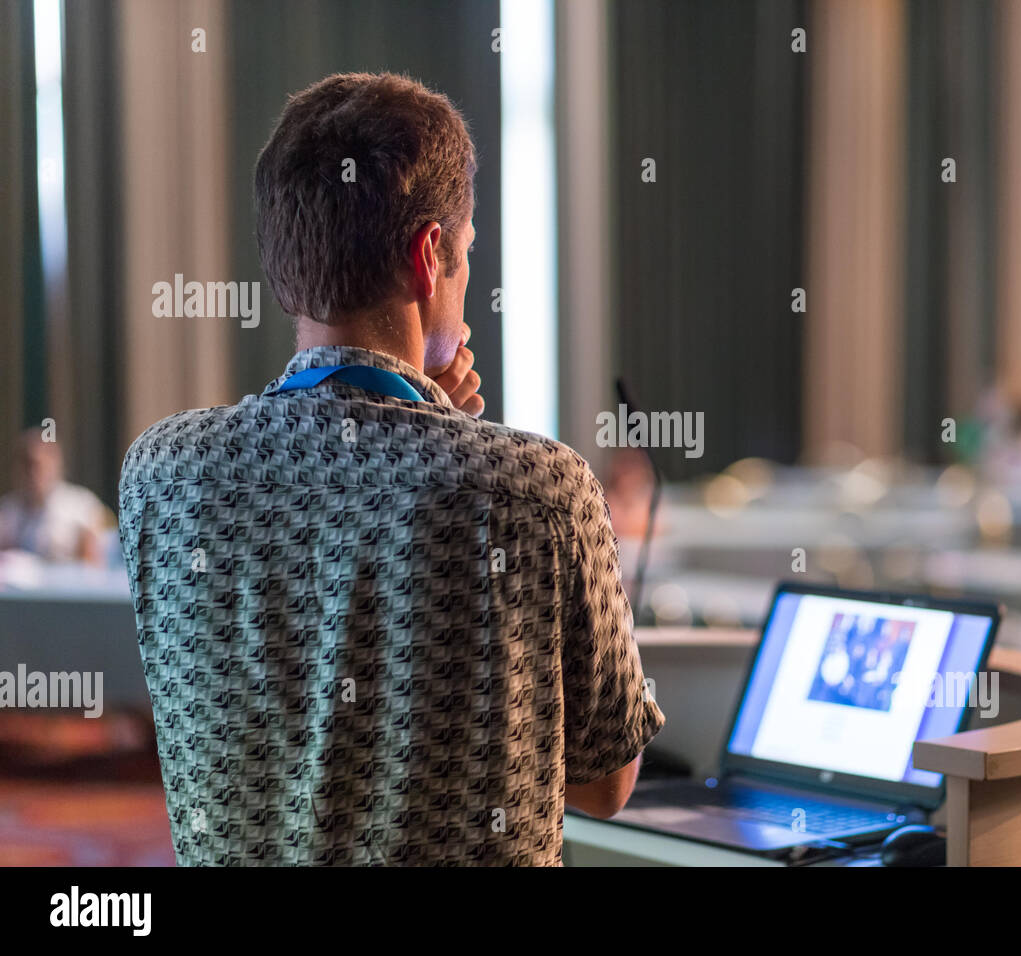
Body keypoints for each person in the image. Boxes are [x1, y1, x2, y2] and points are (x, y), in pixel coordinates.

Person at [118, 73, 664, 866]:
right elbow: (605, 784)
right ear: (428, 253)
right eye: (467, 253)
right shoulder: (536, 490)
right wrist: (432, 425)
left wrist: (420, 414)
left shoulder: (161, 475)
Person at [0, 429, 110, 565]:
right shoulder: (8, 510)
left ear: (56, 464)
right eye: (26, 466)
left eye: (38, 465)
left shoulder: (82, 506)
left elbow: (94, 568)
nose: (33, 474)